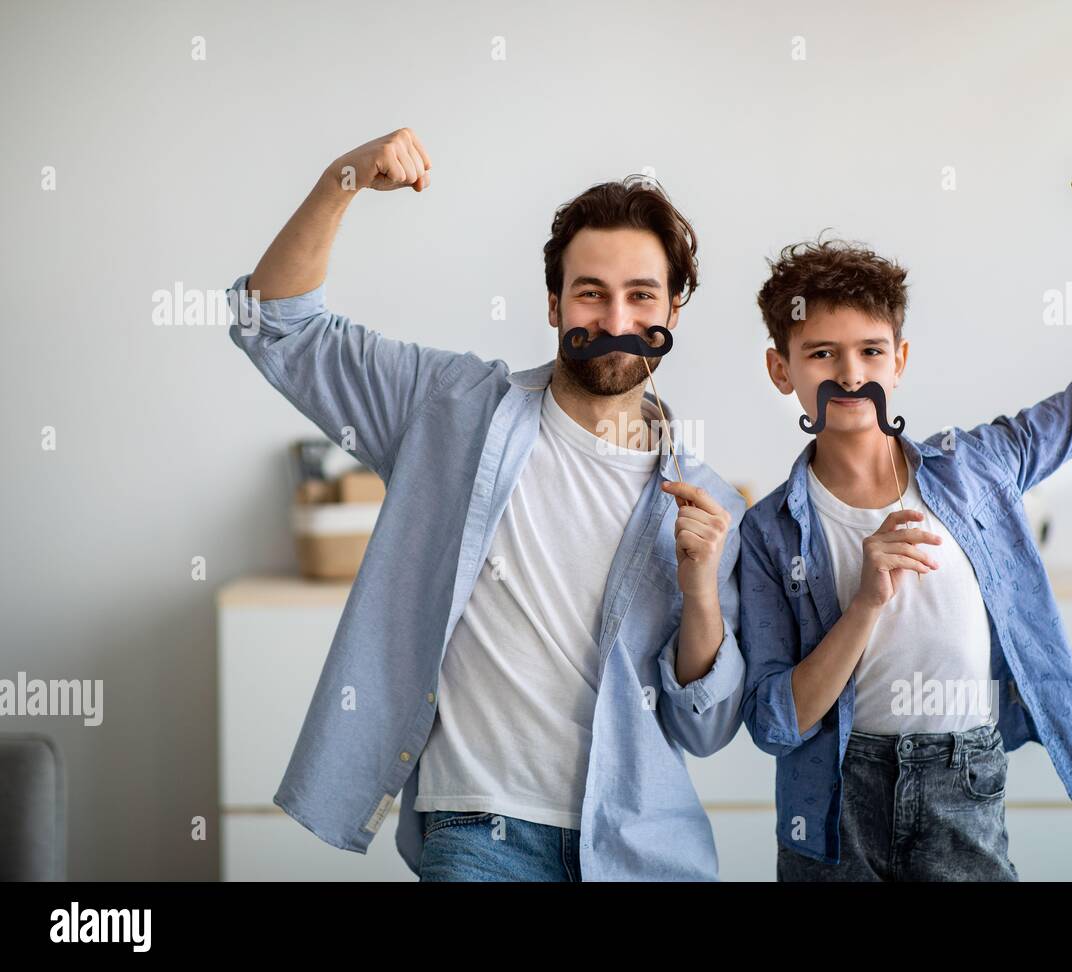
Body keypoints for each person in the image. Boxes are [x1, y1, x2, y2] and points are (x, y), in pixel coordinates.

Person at [226, 128, 746, 881]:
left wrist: (701, 591)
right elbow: (273, 323)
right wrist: (344, 176)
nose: (614, 320)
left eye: (641, 296)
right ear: (552, 302)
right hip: (478, 832)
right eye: (590, 293)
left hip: (640, 847)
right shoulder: (450, 409)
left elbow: (707, 729)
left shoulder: (710, 504)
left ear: (674, 309)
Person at [737, 153, 1072, 880]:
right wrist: (866, 603)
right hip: (837, 800)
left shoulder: (978, 470)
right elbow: (778, 721)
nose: (850, 375)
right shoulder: (769, 532)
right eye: (822, 353)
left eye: (871, 351)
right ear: (783, 369)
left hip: (964, 778)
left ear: (898, 360)